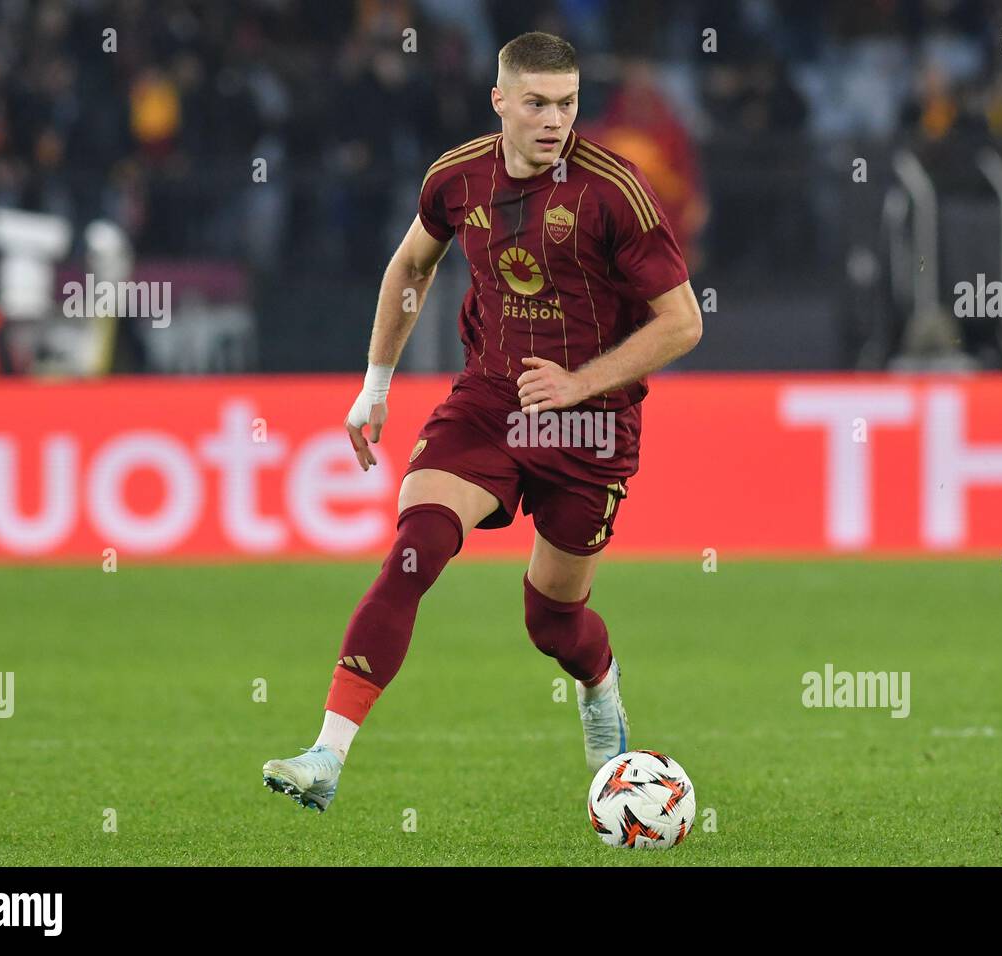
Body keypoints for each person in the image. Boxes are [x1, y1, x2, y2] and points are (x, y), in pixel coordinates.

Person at [262, 32, 702, 812]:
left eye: (566, 104)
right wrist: (375, 383)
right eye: (535, 103)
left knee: (553, 622)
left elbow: (682, 322)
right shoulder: (457, 177)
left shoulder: (614, 190)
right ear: (499, 100)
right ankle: (327, 753)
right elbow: (411, 265)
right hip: (490, 403)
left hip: (590, 426)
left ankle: (600, 684)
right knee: (415, 547)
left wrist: (579, 384)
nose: (553, 120)